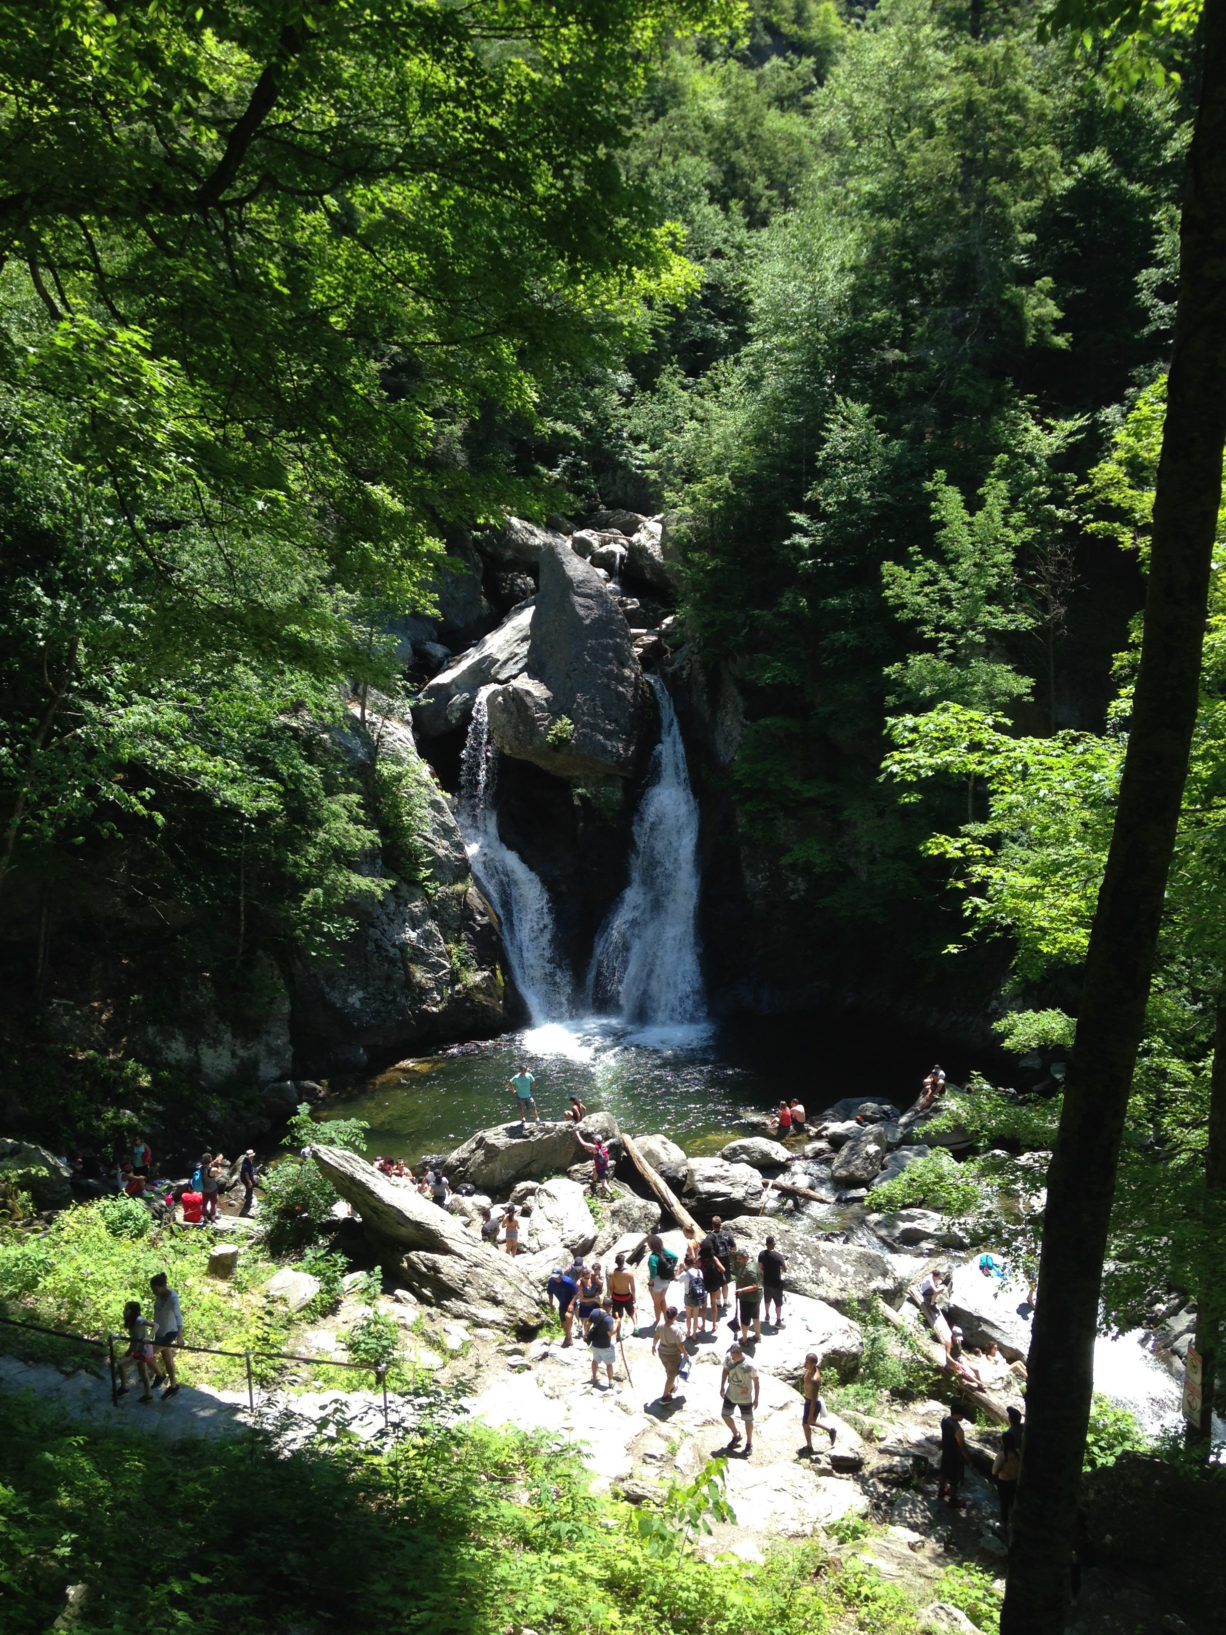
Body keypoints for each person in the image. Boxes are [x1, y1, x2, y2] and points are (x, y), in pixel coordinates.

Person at [720, 1342, 759, 1455]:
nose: (732, 1358)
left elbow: (756, 1381)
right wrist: (722, 1386)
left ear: (740, 1353)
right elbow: (725, 1370)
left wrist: (756, 1398)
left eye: (734, 1356)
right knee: (725, 1415)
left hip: (745, 1398)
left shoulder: (750, 1365)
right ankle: (736, 1435)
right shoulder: (728, 1358)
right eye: (731, 1355)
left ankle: (749, 1444)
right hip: (731, 1393)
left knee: (748, 1420)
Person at [149, 1272, 183, 1398]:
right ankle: (173, 1386)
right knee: (167, 1359)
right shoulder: (159, 1296)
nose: (154, 1292)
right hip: (159, 1331)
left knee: (147, 1353)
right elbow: (158, 1315)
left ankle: (160, 1375)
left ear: (162, 1286)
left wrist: (180, 1336)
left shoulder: (173, 1298)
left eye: (155, 1289)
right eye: (152, 1289)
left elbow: (178, 1316)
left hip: (169, 1333)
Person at [993, 1405, 1023, 1537]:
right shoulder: (1023, 1429)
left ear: (1010, 1419)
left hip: (1004, 1480)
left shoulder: (1010, 1435)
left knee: (1004, 1502)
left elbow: (994, 1471)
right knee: (1014, 1501)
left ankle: (1004, 1525)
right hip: (1016, 1477)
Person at [117, 1300, 156, 1402]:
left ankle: (123, 1388)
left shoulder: (139, 1320)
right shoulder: (132, 1321)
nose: (124, 1311)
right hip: (139, 1349)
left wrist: (150, 1337)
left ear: (133, 1311)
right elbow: (135, 1338)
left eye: (127, 1309)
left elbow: (155, 1325)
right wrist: (130, 1349)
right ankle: (149, 1394)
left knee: (121, 1365)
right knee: (142, 1371)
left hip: (143, 1350)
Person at [801, 1352, 836, 1453]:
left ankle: (809, 1447)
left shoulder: (815, 1379)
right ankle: (831, 1431)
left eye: (807, 1362)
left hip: (812, 1403)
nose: (804, 1364)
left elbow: (814, 1399)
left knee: (807, 1423)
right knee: (809, 1423)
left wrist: (811, 1413)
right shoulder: (810, 1370)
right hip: (808, 1400)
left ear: (813, 1364)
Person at [652, 1305, 686, 1401]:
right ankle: (665, 1397)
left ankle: (671, 1387)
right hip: (673, 1355)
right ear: (675, 1316)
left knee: (668, 1370)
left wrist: (653, 1346)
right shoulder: (676, 1330)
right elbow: (679, 1345)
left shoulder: (660, 1325)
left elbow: (656, 1336)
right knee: (672, 1376)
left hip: (662, 1352)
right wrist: (685, 1353)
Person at [937, 1403, 969, 1506]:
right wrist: (970, 1461)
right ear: (956, 1414)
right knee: (954, 1479)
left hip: (946, 1451)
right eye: (961, 1415)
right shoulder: (958, 1430)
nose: (963, 1417)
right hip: (955, 1456)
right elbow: (962, 1447)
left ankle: (941, 1490)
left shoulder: (944, 1420)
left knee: (944, 1472)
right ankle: (953, 1500)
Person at [698, 1221, 728, 1329]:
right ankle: (714, 1325)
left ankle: (704, 1325)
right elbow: (723, 1269)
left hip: (704, 1283)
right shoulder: (714, 1258)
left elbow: (696, 1269)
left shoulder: (700, 1260)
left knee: (704, 1305)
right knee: (713, 1304)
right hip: (714, 1283)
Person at [645, 1234, 679, 1326]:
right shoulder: (665, 1251)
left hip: (658, 1281)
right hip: (666, 1280)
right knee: (662, 1299)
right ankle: (668, 1318)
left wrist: (651, 1282)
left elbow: (653, 1271)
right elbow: (675, 1257)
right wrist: (671, 1267)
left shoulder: (653, 1257)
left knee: (656, 1303)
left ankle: (657, 1321)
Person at [731, 1247, 763, 1343]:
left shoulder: (750, 1270)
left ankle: (744, 1339)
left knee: (744, 1320)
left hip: (748, 1299)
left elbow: (755, 1286)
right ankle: (758, 1336)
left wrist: (741, 1290)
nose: (738, 1261)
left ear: (746, 1257)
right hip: (756, 1297)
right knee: (755, 1316)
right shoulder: (753, 1262)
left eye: (740, 1259)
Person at [587, 1298, 618, 1387]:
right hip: (605, 1345)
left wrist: (586, 1333)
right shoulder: (608, 1319)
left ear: (602, 1304)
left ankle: (594, 1377)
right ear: (610, 1306)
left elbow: (587, 1323)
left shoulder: (594, 1312)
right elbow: (610, 1333)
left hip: (595, 1343)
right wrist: (617, 1323)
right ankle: (611, 1381)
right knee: (609, 1364)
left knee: (595, 1360)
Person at [758, 1236, 787, 1327]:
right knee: (778, 1303)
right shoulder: (778, 1256)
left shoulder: (761, 1254)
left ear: (766, 1244)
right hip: (776, 1283)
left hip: (766, 1282)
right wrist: (785, 1262)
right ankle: (778, 1321)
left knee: (767, 1300)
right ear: (773, 1244)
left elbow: (760, 1267)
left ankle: (767, 1316)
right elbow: (785, 1269)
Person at [574, 1129, 612, 1197]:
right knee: (594, 1170)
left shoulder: (594, 1147)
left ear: (595, 1140)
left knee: (604, 1184)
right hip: (604, 1164)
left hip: (601, 1168)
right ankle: (594, 1181)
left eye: (594, 1138)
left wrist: (578, 1134)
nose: (593, 1139)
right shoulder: (603, 1146)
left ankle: (612, 1196)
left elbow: (583, 1143)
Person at [546, 1266, 578, 1347]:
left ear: (561, 1274)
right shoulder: (551, 1282)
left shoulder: (568, 1281)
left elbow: (576, 1293)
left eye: (557, 1277)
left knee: (568, 1316)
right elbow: (550, 1294)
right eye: (554, 1277)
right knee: (563, 1325)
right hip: (562, 1303)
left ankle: (567, 1339)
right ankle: (569, 1336)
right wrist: (551, 1305)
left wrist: (571, 1304)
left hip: (571, 1301)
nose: (556, 1279)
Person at [608, 1252, 637, 1338]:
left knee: (617, 1315)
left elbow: (611, 1287)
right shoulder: (629, 1273)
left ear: (616, 1262)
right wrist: (634, 1298)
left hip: (616, 1296)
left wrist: (612, 1296)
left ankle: (618, 1334)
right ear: (623, 1262)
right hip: (627, 1295)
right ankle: (636, 1326)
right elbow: (632, 1287)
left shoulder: (612, 1274)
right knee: (631, 1311)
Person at [681, 1258, 706, 1339]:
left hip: (688, 1296)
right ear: (693, 1263)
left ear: (685, 1263)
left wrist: (680, 1269)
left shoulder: (685, 1274)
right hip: (698, 1296)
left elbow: (676, 1279)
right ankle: (694, 1335)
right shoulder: (699, 1271)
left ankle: (688, 1332)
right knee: (695, 1317)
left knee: (688, 1316)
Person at [200, 1153, 222, 1223]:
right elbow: (219, 1172)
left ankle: (205, 1219)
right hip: (212, 1189)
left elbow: (209, 1164)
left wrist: (216, 1159)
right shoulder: (213, 1169)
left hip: (204, 1189)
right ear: (210, 1159)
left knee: (204, 1203)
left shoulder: (201, 1167)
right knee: (213, 1204)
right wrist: (219, 1163)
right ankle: (213, 1218)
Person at [239, 1150, 258, 1216]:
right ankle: (248, 1204)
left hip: (248, 1177)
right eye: (252, 1156)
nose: (253, 1157)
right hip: (246, 1178)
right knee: (250, 1189)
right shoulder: (245, 1164)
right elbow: (246, 1174)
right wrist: (249, 1182)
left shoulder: (248, 1160)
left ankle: (246, 1196)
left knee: (249, 1188)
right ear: (249, 1156)